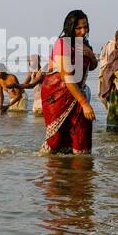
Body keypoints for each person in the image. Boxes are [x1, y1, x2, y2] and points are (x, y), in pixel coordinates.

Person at [39, 10, 97, 153]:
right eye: (79, 28)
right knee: (57, 138)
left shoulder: (84, 44)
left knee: (81, 133)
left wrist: (91, 55)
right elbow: (68, 78)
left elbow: (92, 66)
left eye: (85, 27)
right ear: (70, 28)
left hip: (76, 92)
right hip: (57, 95)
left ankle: (80, 172)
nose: (83, 31)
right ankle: (55, 172)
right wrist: (85, 104)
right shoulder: (62, 44)